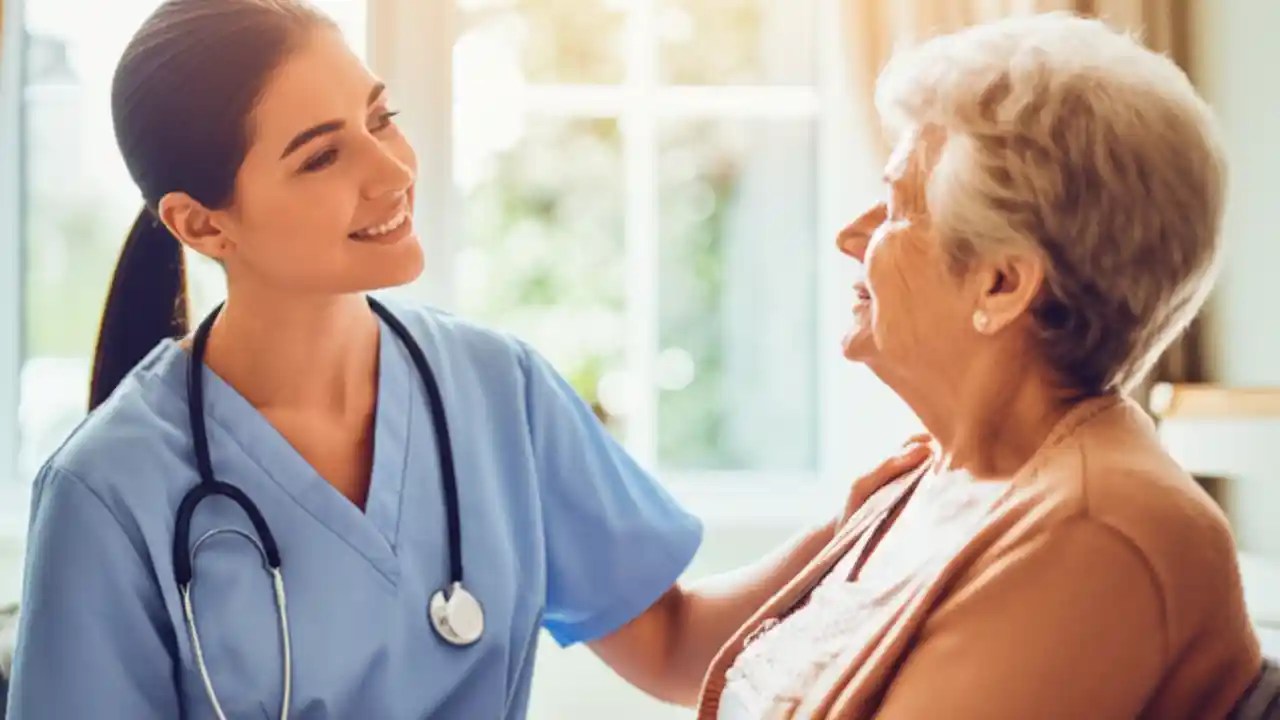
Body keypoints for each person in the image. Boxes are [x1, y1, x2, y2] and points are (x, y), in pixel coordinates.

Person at [6, 1, 925, 717]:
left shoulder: (497, 390)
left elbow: (676, 647)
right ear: (202, 224)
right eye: (322, 157)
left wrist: (863, 527)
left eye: (380, 118)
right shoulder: (109, 489)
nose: (392, 171)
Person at [697, 13, 1263, 720]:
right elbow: (682, 647)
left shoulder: (1095, 532)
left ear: (1001, 284)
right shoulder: (930, 478)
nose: (850, 236)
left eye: (897, 207)